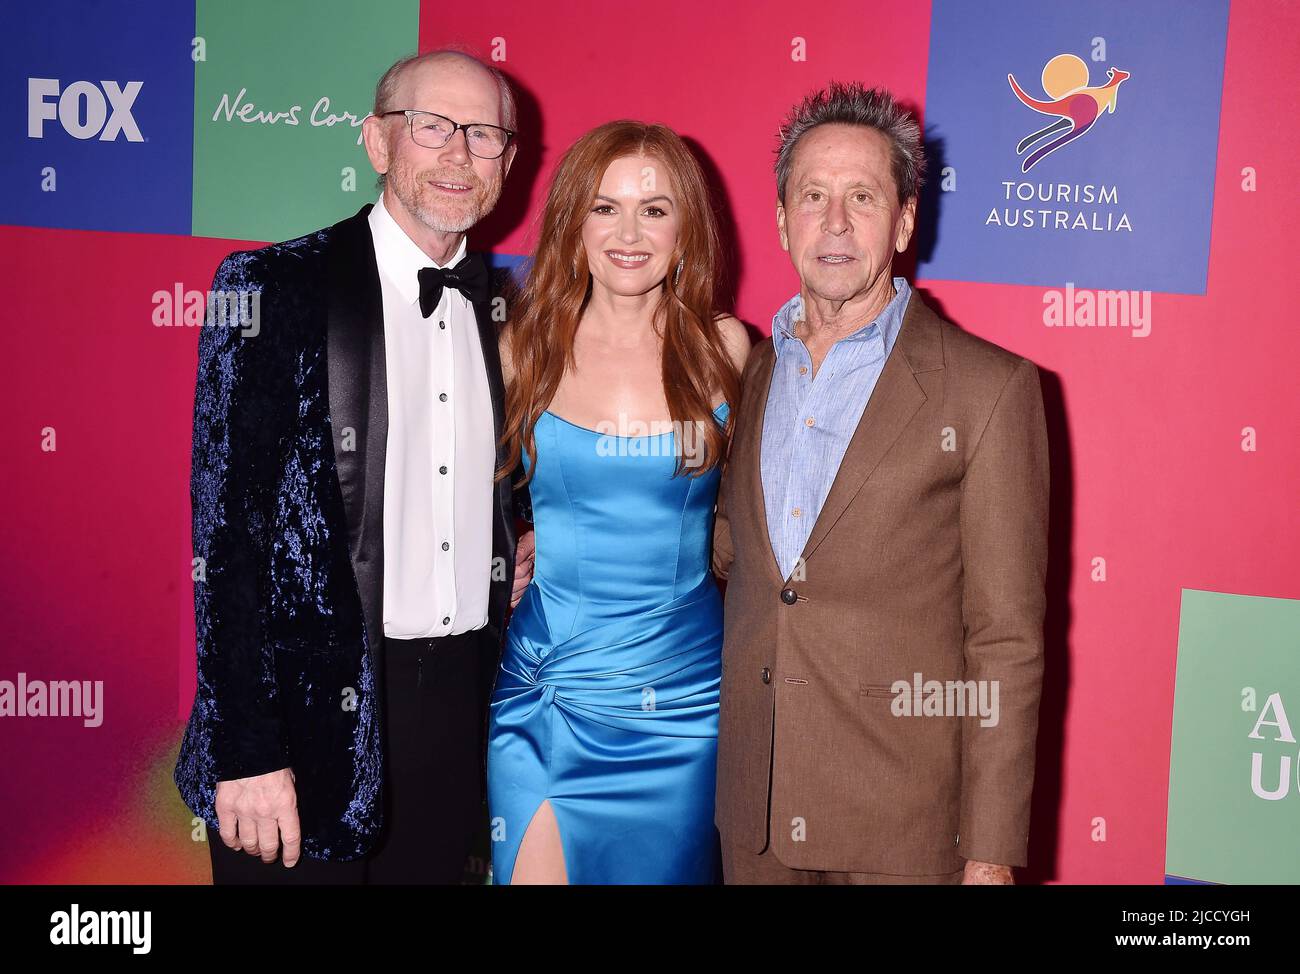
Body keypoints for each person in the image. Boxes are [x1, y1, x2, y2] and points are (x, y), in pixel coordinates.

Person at [174, 49, 523, 883]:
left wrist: (522, 534)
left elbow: (503, 481)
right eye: (431, 126)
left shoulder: (510, 313)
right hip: (299, 726)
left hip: (455, 714)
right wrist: (246, 749)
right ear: (376, 141)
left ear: (508, 163)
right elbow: (227, 538)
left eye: (483, 134)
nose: (459, 152)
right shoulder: (271, 286)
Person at [712, 82, 1050, 884]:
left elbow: (1006, 641)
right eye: (813, 196)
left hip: (905, 832)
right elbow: (725, 553)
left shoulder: (987, 390)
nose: (834, 223)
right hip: (753, 821)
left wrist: (991, 853)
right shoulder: (745, 374)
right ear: (781, 220)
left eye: (862, 197)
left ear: (902, 223)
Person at [489, 120, 750, 884]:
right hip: (547, 690)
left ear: (685, 227)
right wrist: (509, 553)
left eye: (654, 209)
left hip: (682, 702)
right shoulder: (521, 346)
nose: (629, 234)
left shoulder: (725, 348)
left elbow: (752, 515)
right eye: (605, 208)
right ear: (574, 221)